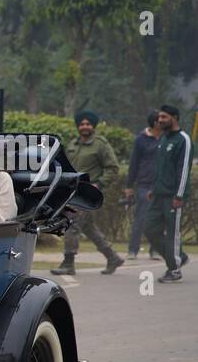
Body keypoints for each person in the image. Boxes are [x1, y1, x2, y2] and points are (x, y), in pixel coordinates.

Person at [53, 109, 123, 276]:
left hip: (87, 193)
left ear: (93, 126)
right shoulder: (72, 144)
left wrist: (99, 184)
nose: (85, 126)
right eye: (82, 124)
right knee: (89, 228)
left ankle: (68, 263)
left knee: (71, 224)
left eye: (88, 124)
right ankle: (112, 257)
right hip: (71, 192)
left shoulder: (100, 144)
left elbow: (112, 168)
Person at [145, 104, 191, 283]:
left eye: (164, 117)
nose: (160, 120)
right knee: (150, 229)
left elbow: (184, 170)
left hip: (173, 197)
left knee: (172, 234)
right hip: (157, 195)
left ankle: (174, 270)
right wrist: (152, 188)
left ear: (174, 117)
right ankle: (179, 257)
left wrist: (179, 195)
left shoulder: (183, 139)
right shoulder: (164, 139)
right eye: (159, 117)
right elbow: (159, 168)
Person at [125, 110, 162, 260]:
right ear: (154, 123)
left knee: (159, 219)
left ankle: (155, 250)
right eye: (160, 120)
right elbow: (134, 162)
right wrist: (129, 185)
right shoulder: (141, 139)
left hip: (161, 185)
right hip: (144, 184)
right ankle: (133, 250)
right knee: (141, 218)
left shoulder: (166, 138)